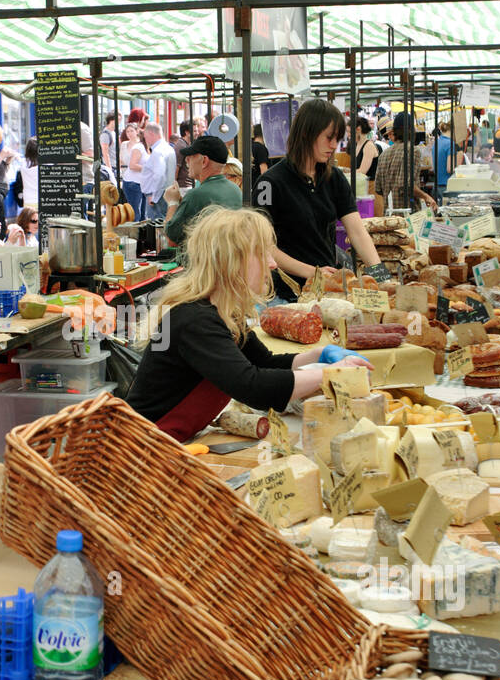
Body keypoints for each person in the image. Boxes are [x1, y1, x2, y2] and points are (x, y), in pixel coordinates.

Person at [126, 208, 371, 441]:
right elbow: (253, 387)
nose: (273, 264)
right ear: (231, 261)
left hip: (170, 442)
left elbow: (263, 363)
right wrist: (328, 375)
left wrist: (319, 355)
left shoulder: (223, 313)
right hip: (141, 449)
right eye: (261, 253)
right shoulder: (194, 320)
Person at [257, 98, 384, 300]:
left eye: (338, 139)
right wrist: (312, 272)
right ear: (307, 133)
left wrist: (381, 277)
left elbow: (358, 232)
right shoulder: (270, 183)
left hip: (329, 291)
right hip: (287, 294)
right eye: (328, 138)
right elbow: (263, 246)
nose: (334, 145)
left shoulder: (335, 178)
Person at [165, 135, 242, 249]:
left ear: (204, 161)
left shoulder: (196, 195)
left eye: (191, 156)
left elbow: (172, 241)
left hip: (206, 263)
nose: (187, 160)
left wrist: (173, 203)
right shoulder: (235, 190)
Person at [374, 111, 439, 214]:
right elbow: (407, 185)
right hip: (408, 215)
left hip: (389, 215)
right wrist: (426, 196)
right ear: (411, 130)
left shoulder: (383, 155)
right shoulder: (412, 151)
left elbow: (378, 188)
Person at [141, 122, 178, 221]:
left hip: (158, 195)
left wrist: (153, 197)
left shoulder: (158, 151)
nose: (145, 140)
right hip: (165, 192)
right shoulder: (169, 148)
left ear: (152, 134)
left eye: (146, 137)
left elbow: (159, 175)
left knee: (156, 226)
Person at [118, 122, 148, 220]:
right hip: (131, 179)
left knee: (142, 212)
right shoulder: (125, 144)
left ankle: (141, 234)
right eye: (127, 131)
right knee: (136, 212)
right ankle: (136, 234)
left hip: (141, 181)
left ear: (137, 132)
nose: (129, 133)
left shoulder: (141, 145)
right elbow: (127, 163)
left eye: (132, 131)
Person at [355, 116, 381, 185]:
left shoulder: (368, 146)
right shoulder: (357, 145)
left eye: (349, 132)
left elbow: (362, 171)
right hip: (362, 186)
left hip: (370, 188)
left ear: (358, 129)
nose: (348, 135)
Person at [432, 121, 455, 196]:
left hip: (436, 186)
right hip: (446, 186)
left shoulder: (436, 142)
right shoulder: (450, 144)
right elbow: (449, 169)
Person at [18, 136, 40, 208]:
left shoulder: (23, 164)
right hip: (42, 200)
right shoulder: (46, 165)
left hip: (28, 200)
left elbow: (18, 157)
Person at [172, 119, 193, 189]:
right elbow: (176, 168)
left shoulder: (187, 144)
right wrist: (174, 186)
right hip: (183, 187)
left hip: (187, 185)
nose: (197, 133)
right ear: (187, 132)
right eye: (194, 131)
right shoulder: (181, 146)